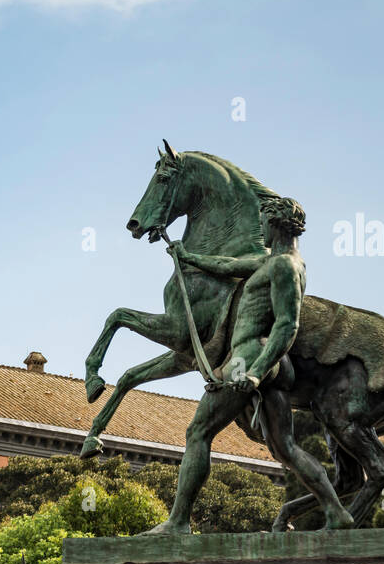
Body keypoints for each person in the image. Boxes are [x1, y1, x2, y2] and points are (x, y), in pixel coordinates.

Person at [150, 196, 354, 533]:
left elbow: (288, 324)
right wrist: (187, 257)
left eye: (262, 222)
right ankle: (336, 512)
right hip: (263, 362)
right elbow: (228, 267)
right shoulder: (272, 262)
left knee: (198, 431)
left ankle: (178, 522)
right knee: (285, 447)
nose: (260, 228)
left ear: (275, 223)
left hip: (250, 358)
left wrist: (256, 373)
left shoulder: (285, 267)